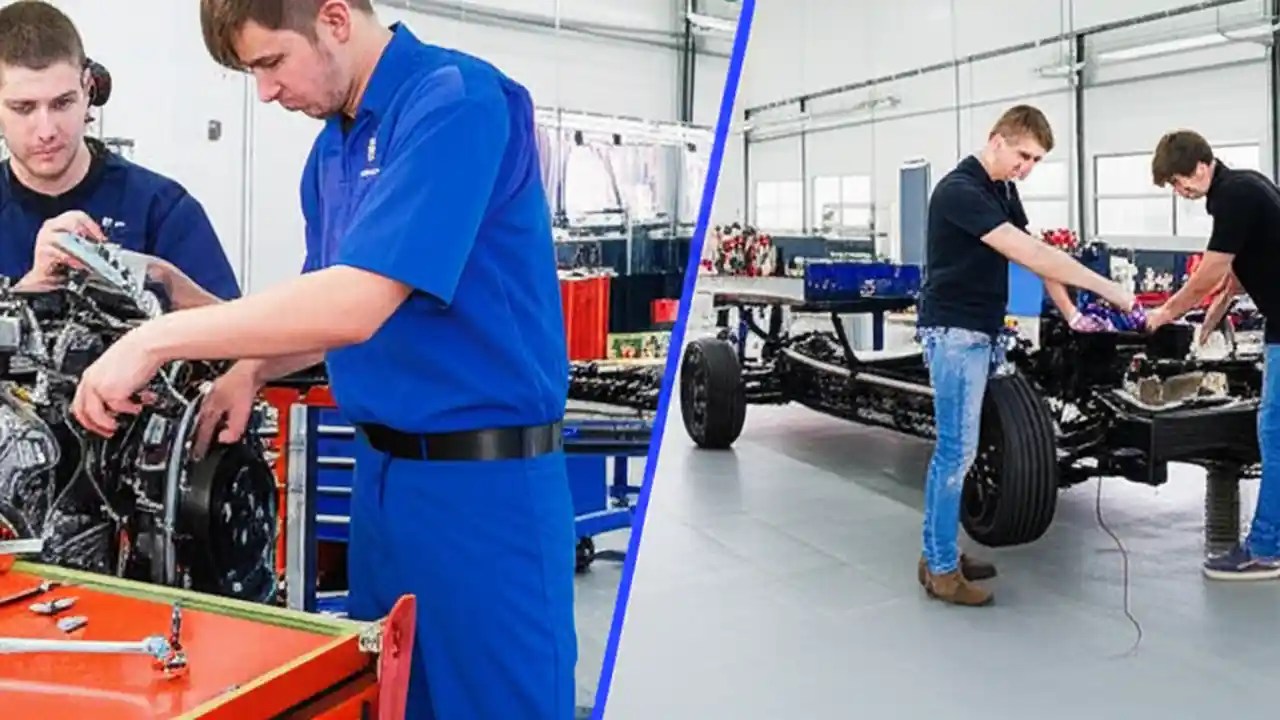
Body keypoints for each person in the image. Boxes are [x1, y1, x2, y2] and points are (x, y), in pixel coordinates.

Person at [70, 2, 577, 718]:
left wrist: (152, 342)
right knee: (393, 703)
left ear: (334, 18)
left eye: (271, 63)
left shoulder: (455, 104)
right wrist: (240, 361)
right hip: (383, 488)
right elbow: (320, 317)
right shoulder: (331, 154)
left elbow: (355, 304)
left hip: (487, 495)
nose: (267, 93)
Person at [915, 104, 1136, 606]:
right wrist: (1110, 290)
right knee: (956, 453)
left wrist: (1072, 312)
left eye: (1036, 160)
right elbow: (1030, 254)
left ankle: (938, 552)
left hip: (982, 332)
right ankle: (941, 568)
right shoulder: (959, 191)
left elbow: (1037, 252)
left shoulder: (1002, 190)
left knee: (960, 452)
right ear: (997, 140)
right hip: (955, 333)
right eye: (1024, 155)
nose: (1027, 168)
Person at [0, 1, 240, 308]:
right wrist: (28, 294)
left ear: (88, 91)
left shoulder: (161, 210)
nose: (46, 130)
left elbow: (235, 342)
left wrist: (150, 281)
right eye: (24, 108)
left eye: (62, 104)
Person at [1145, 129, 1280, 581]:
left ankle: (1265, 547)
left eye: (1181, 182)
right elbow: (1244, 263)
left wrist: (1165, 313)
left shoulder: (1233, 196)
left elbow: (1209, 272)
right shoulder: (1246, 185)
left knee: (1274, 434)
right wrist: (1216, 310)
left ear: (1202, 166)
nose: (1180, 192)